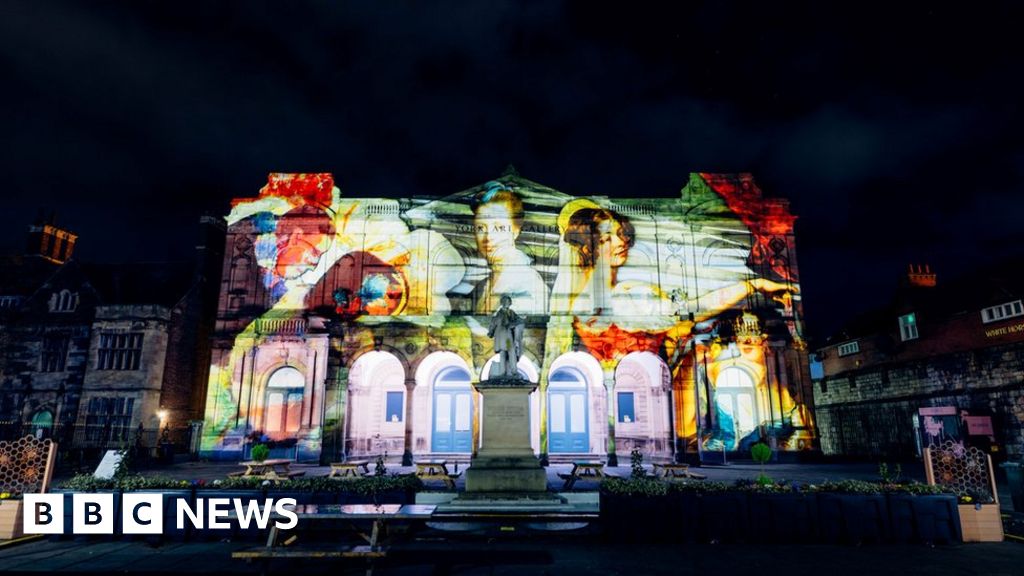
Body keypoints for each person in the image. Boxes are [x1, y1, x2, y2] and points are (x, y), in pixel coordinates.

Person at [472, 188, 549, 314]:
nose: (488, 237)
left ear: (516, 231)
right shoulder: (485, 283)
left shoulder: (527, 283)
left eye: (499, 228)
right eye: (480, 228)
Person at [487, 295, 524, 378]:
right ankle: (510, 372)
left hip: (507, 337)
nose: (507, 303)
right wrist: (490, 332)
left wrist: (514, 324)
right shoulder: (499, 314)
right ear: (502, 303)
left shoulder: (511, 313)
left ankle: (508, 372)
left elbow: (519, 320)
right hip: (505, 338)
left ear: (510, 303)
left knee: (507, 353)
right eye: (505, 302)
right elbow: (493, 324)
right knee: (508, 352)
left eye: (508, 302)